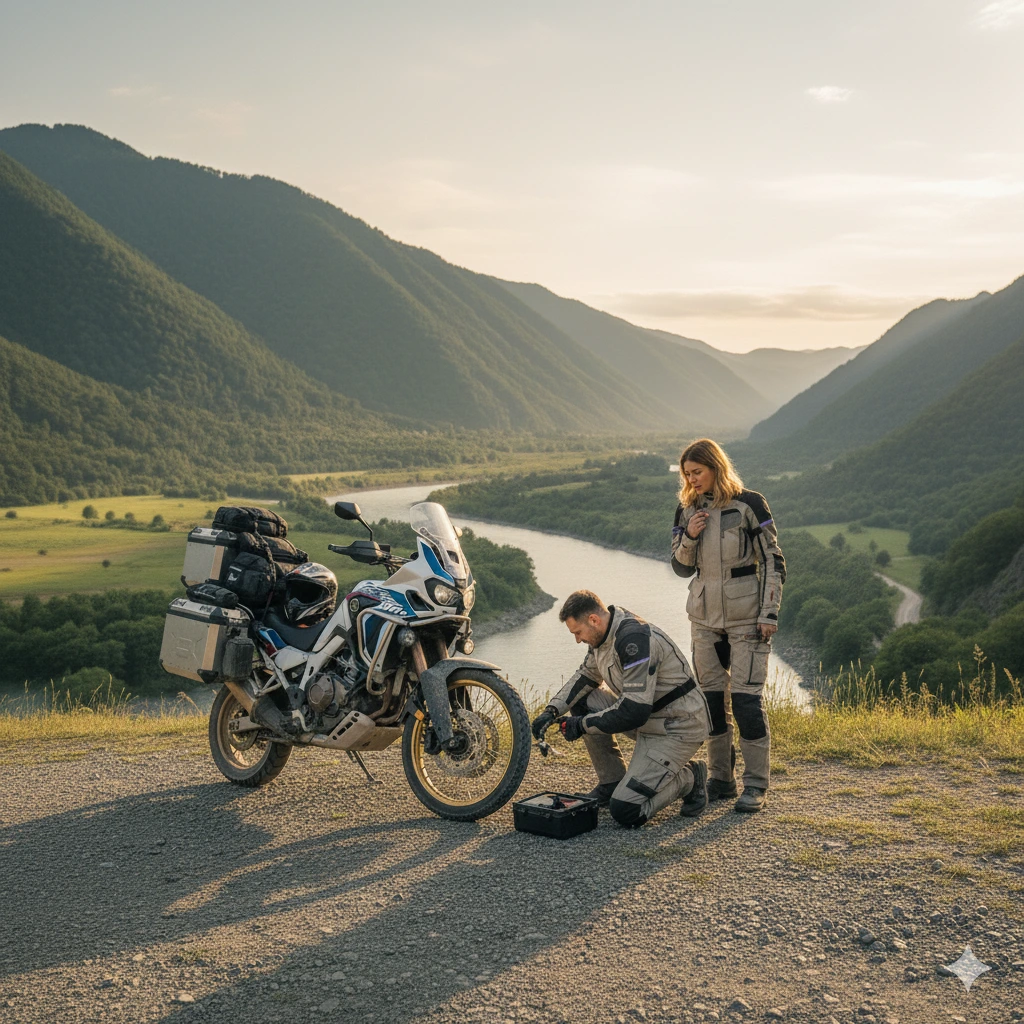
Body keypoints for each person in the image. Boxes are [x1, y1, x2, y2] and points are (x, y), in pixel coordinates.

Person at [670, 438, 786, 813]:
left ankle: (755, 785)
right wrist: (690, 536)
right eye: (687, 474)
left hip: (746, 616)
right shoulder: (686, 509)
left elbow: (773, 561)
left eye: (697, 472)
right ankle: (722, 779)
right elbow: (680, 567)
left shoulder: (750, 503)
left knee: (747, 701)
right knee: (711, 701)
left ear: (716, 467)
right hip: (703, 618)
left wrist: (769, 614)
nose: (692, 479)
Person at [531, 590, 711, 828]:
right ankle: (611, 781)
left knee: (627, 810)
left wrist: (581, 725)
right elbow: (585, 676)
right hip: (649, 719)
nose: (577, 639)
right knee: (582, 701)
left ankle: (690, 777)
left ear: (593, 620)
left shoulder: (633, 639)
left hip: (678, 726)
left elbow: (634, 711)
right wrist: (551, 710)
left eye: (577, 632)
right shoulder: (602, 635)